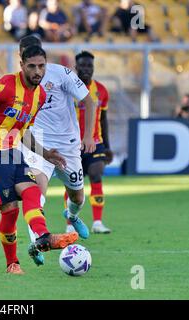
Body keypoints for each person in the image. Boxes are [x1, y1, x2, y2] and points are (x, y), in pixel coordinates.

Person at [0, 45, 79, 275]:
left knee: (32, 191)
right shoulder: (5, 85)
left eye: (41, 66)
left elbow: (23, 131)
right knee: (11, 210)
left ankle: (43, 238)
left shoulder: (40, 95)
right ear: (22, 65)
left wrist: (46, 153)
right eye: (31, 66)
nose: (37, 71)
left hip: (13, 151)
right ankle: (12, 263)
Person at [17, 36, 96, 266]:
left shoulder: (61, 74)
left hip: (67, 145)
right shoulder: (16, 83)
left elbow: (89, 102)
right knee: (35, 193)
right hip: (38, 144)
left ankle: (71, 215)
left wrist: (88, 135)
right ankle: (38, 242)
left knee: (78, 197)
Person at [65, 51, 112, 234]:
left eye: (89, 66)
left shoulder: (101, 90)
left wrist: (107, 146)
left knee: (96, 174)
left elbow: (104, 119)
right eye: (82, 65)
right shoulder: (68, 89)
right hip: (72, 144)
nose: (86, 69)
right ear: (76, 68)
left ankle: (97, 222)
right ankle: (70, 223)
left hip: (95, 142)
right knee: (73, 183)